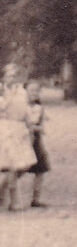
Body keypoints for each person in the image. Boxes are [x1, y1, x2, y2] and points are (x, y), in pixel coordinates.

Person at [0, 65, 31, 211]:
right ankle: (13, 201)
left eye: (15, 75)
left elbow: (25, 110)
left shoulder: (22, 92)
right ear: (4, 77)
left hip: (19, 128)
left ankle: (2, 191)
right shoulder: (2, 91)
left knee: (24, 164)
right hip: (5, 128)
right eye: (9, 75)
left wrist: (28, 126)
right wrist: (8, 95)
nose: (12, 78)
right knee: (10, 165)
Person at [24, 79, 48, 206]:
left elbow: (41, 124)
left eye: (37, 90)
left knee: (41, 168)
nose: (34, 93)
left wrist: (39, 127)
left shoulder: (39, 107)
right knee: (17, 169)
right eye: (31, 90)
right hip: (23, 139)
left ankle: (35, 198)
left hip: (36, 140)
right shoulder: (21, 107)